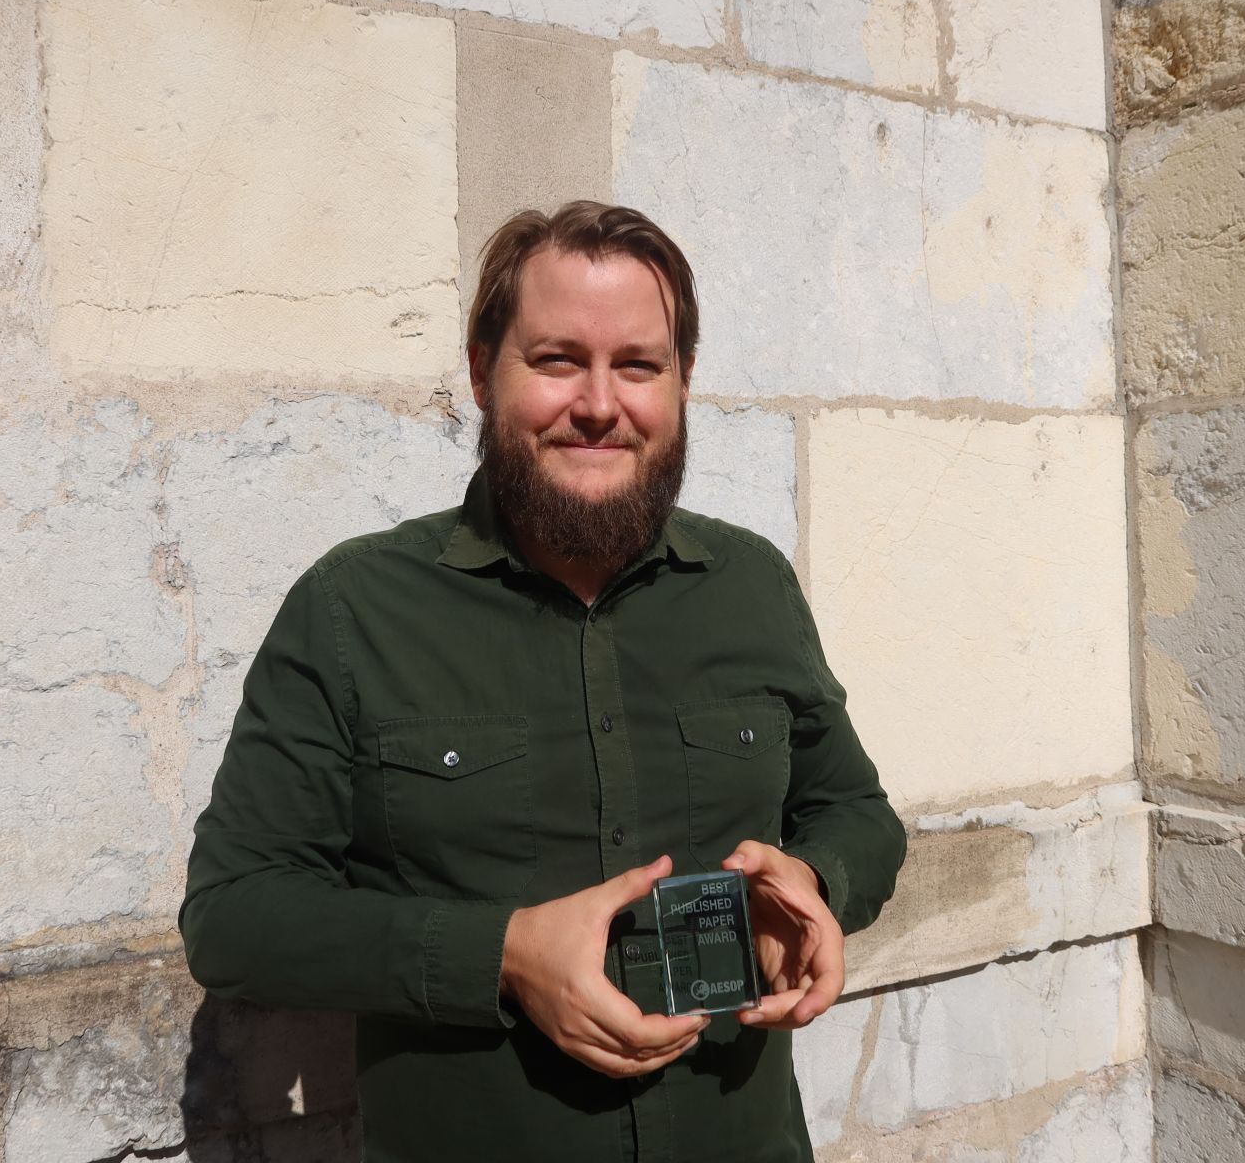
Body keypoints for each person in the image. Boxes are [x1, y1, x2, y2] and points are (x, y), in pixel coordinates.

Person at [180, 200, 908, 1162]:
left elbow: (858, 812)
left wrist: (811, 883)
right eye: (558, 359)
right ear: (484, 373)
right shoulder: (354, 608)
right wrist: (505, 955)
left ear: (683, 381)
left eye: (638, 366)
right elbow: (234, 916)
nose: (600, 404)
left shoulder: (753, 586)